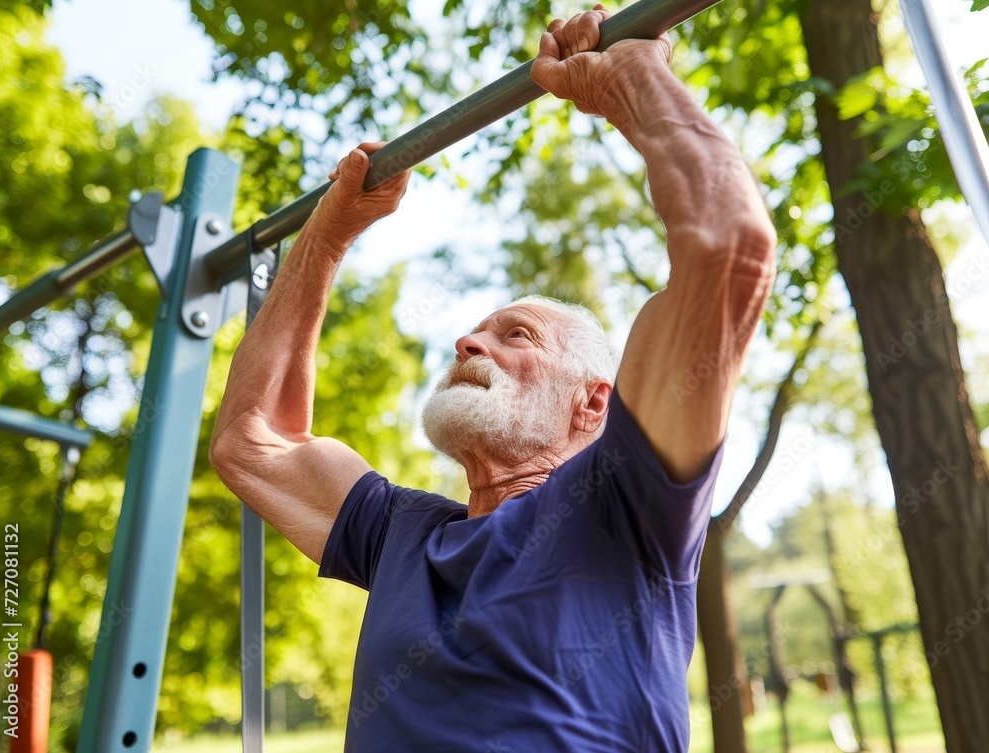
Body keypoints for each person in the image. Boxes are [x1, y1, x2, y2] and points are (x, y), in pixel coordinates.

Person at [210, 6, 776, 751]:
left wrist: (633, 77)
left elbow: (729, 249)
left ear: (592, 403)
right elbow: (251, 441)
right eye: (477, 330)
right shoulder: (400, 535)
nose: (468, 340)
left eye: (516, 335)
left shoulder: (626, 501)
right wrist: (329, 231)